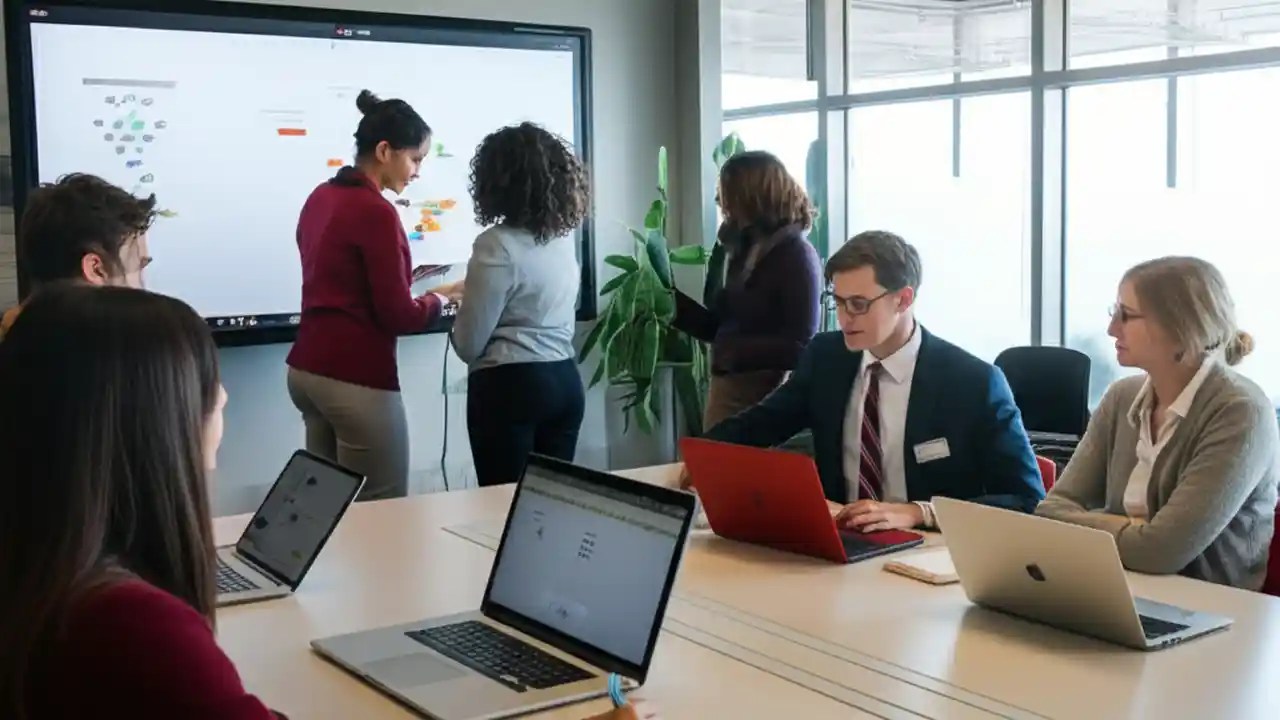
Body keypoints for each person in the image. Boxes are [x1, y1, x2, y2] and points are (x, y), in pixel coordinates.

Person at [0, 283, 659, 720]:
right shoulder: (129, 625)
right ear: (146, 418)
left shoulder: (41, 576)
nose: (222, 399)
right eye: (205, 384)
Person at [692, 230, 1044, 531]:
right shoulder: (826, 358)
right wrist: (700, 458)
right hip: (843, 544)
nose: (845, 318)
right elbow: (761, 424)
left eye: (859, 304)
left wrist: (919, 512)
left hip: (931, 553)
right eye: (838, 302)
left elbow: (1027, 499)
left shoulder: (974, 383)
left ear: (903, 299)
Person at [1036, 257, 1279, 590]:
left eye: (1127, 315)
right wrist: (1135, 532)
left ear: (1181, 326)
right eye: (1114, 312)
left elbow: (1161, 552)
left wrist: (1098, 529)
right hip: (1116, 588)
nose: (1112, 329)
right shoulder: (1121, 397)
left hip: (1214, 615)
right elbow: (1050, 513)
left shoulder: (1241, 412)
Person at [286, 89, 463, 501]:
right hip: (356, 377)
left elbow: (344, 287)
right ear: (385, 150)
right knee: (381, 511)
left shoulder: (321, 196)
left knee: (324, 509)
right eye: (415, 159)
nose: (417, 172)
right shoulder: (376, 212)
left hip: (307, 372)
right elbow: (399, 316)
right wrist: (443, 302)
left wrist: (430, 293)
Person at [450, 122, 590, 486]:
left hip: (510, 389)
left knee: (501, 513)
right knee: (548, 511)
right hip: (564, 381)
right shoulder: (561, 240)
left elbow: (468, 345)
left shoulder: (495, 244)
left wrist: (457, 306)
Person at [672, 150, 822, 429]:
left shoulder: (796, 255)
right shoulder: (746, 250)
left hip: (763, 396)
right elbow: (721, 328)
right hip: (729, 388)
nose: (721, 202)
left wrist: (733, 351)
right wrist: (670, 304)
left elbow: (802, 345)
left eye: (727, 194)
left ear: (751, 196)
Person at [1, 172, 156, 338]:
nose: (143, 286)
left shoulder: (18, 341)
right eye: (138, 267)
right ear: (95, 269)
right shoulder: (100, 358)